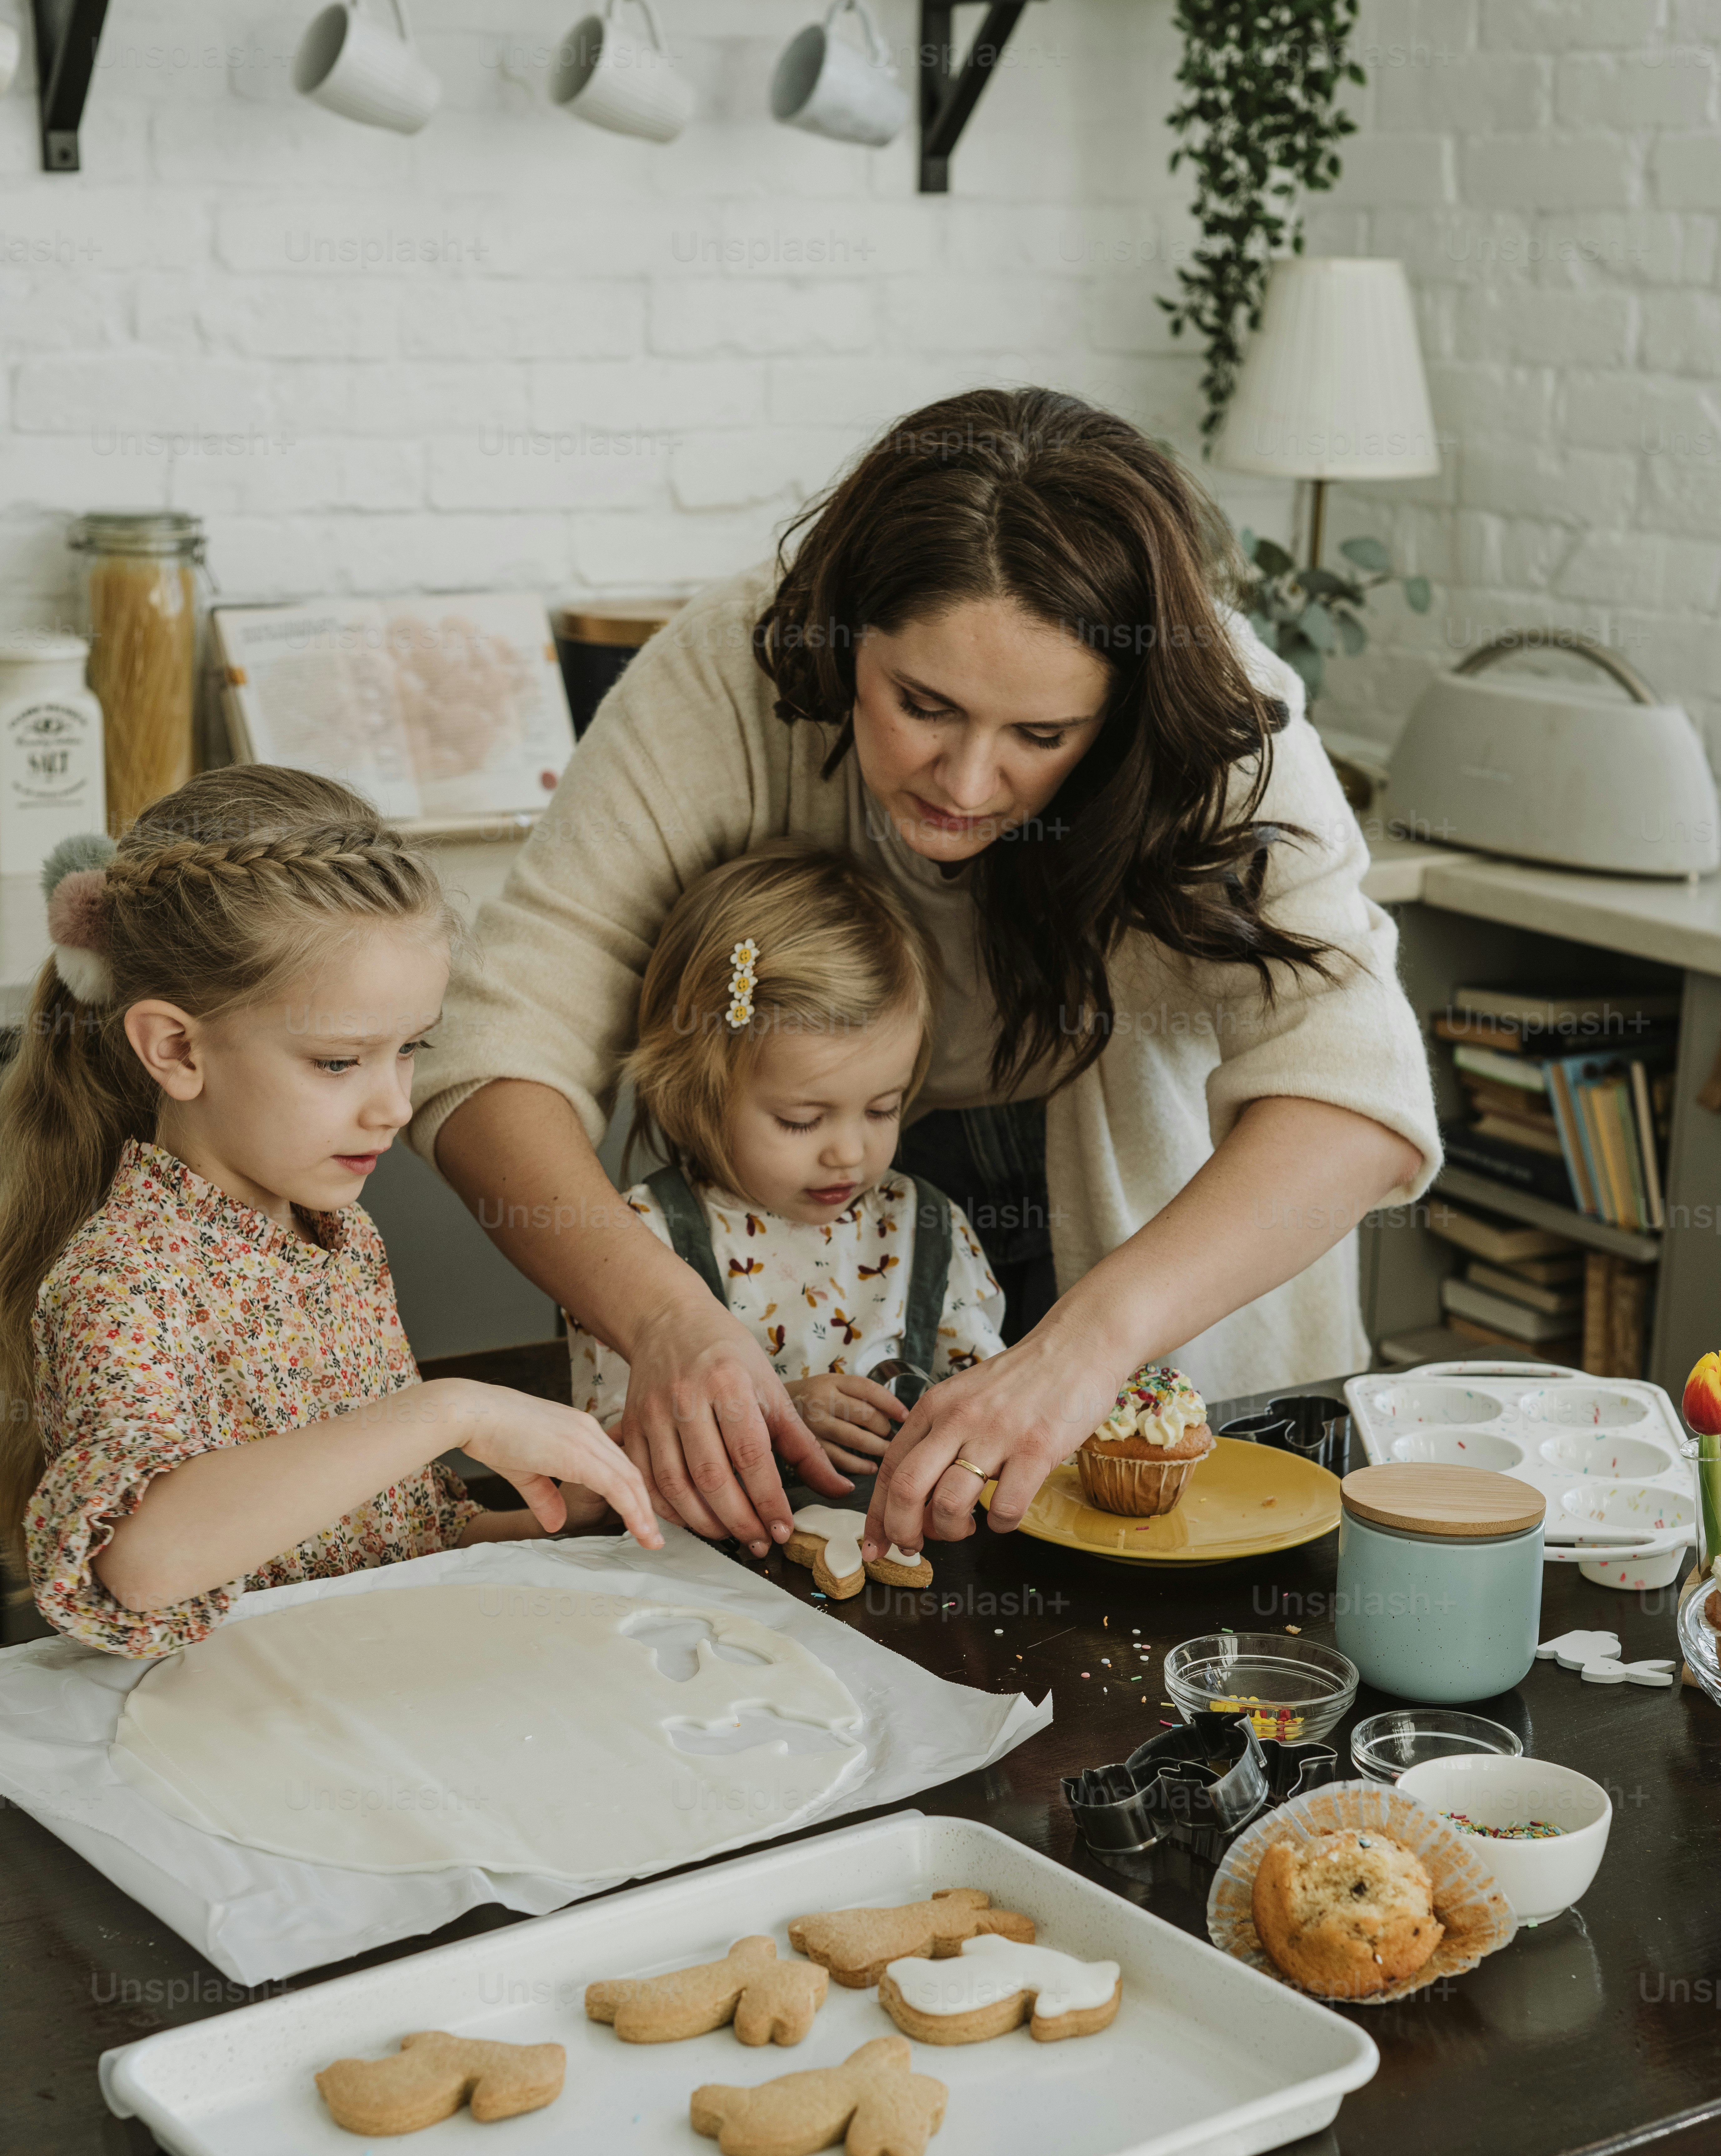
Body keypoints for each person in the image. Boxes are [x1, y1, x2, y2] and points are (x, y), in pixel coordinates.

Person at [409, 387, 1438, 1564]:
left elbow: (1353, 1091)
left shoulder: (1211, 711)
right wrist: (665, 1316)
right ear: (847, 636)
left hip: (1144, 1239)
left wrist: (1083, 1346)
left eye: (1040, 737)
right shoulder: (725, 671)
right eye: (922, 705)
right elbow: (492, 1053)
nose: (966, 780)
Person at [0, 768, 659, 1660]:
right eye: (341, 1062)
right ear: (178, 1049)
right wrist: (449, 1411)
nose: (394, 1105)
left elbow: (374, 1547)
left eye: (411, 1050)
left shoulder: (338, 1239)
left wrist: (564, 1516)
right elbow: (140, 1562)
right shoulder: (123, 1282)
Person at [570, 846, 1005, 1494]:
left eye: (883, 1109)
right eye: (802, 1120)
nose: (849, 1154)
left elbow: (988, 1413)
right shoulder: (637, 1242)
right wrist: (781, 1412)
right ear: (700, 1090)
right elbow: (609, 1464)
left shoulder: (927, 1227)